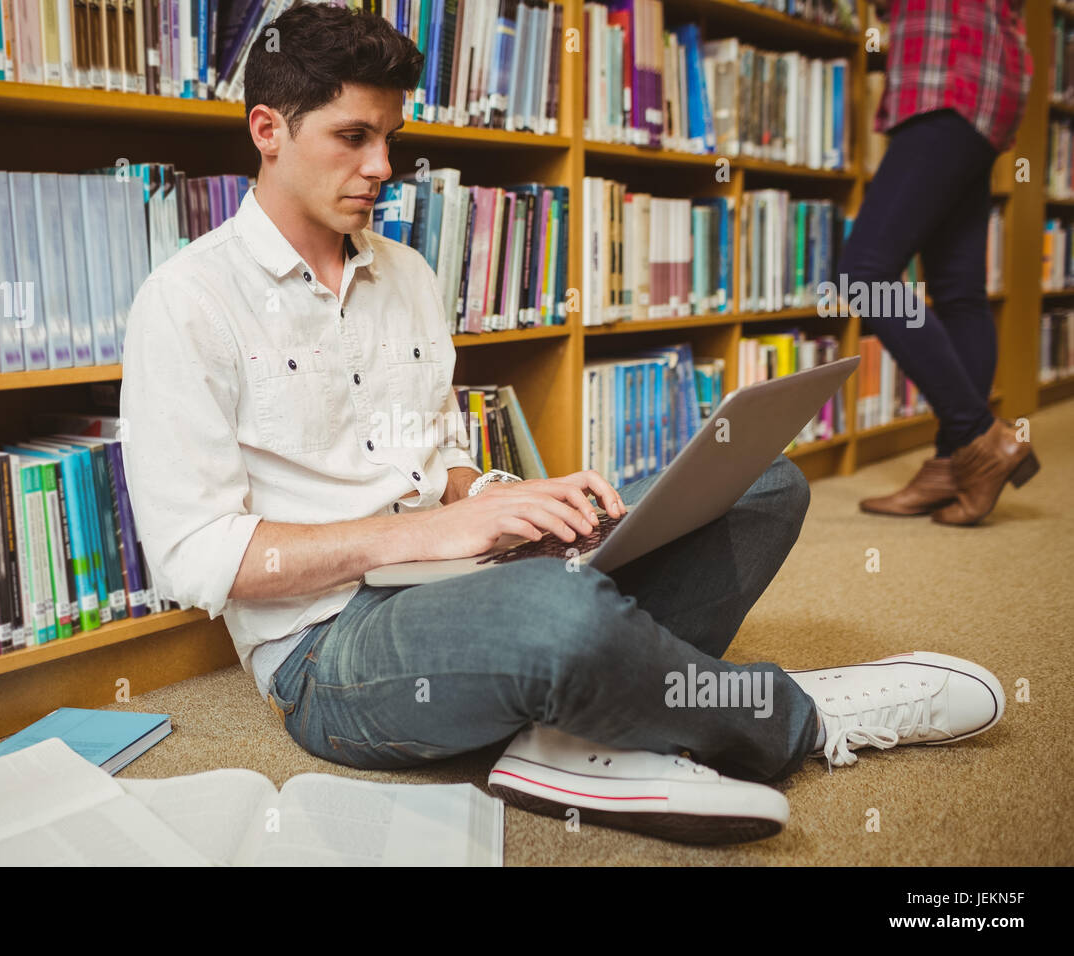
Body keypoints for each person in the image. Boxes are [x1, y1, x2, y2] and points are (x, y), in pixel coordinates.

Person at [121, 3, 1005, 845]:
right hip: (329, 650)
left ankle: (582, 722)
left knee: (762, 485)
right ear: (268, 129)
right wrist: (435, 535)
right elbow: (196, 556)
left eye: (391, 138)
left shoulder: (408, 274)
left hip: (464, 578)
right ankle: (793, 718)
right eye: (353, 137)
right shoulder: (187, 303)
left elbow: (437, 460)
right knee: (558, 616)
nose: (382, 166)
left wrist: (512, 499)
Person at [851, 0, 1039, 523]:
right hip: (985, 81)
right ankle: (952, 465)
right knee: (960, 292)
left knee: (863, 274)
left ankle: (980, 436)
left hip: (946, 76)